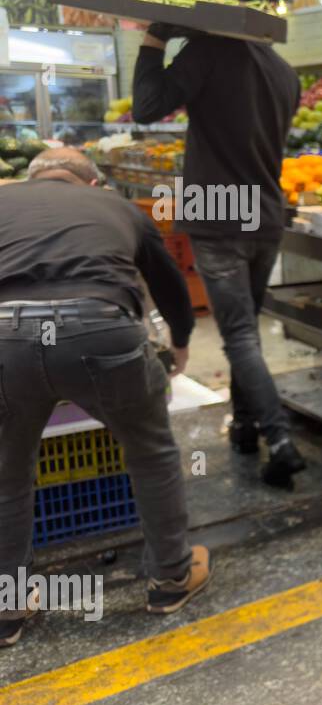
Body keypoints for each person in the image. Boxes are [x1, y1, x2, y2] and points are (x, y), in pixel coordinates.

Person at [0, 149, 211, 646]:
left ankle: (8, 607)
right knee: (151, 452)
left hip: (4, 334)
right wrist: (179, 343)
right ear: (93, 185)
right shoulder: (118, 207)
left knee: (7, 471)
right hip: (98, 329)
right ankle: (168, 581)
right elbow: (170, 285)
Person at [132, 0, 305, 486]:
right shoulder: (284, 72)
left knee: (237, 336)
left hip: (219, 213)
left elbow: (146, 107)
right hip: (264, 215)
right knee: (245, 328)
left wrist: (155, 36)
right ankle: (247, 426)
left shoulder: (208, 54)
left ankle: (280, 439)